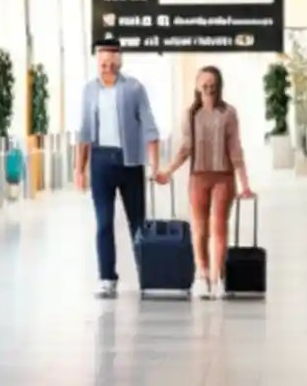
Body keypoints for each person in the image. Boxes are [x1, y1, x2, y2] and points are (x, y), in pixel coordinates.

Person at [155, 65, 254, 300]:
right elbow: (185, 149)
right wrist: (168, 171)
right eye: (204, 83)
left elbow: (235, 149)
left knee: (219, 227)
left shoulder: (228, 113)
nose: (209, 87)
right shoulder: (190, 114)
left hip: (224, 177)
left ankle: (217, 277)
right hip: (198, 176)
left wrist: (244, 183)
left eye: (213, 83)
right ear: (198, 86)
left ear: (218, 86)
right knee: (199, 228)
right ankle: (201, 274)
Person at [75, 38, 161, 299]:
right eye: (103, 61)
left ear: (120, 60)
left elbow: (149, 126)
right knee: (103, 223)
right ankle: (107, 277)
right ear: (97, 61)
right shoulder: (89, 90)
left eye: (112, 60)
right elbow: (85, 132)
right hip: (101, 162)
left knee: (137, 222)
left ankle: (147, 274)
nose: (107, 66)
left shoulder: (134, 88)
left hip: (130, 161)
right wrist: (80, 169)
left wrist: (154, 164)